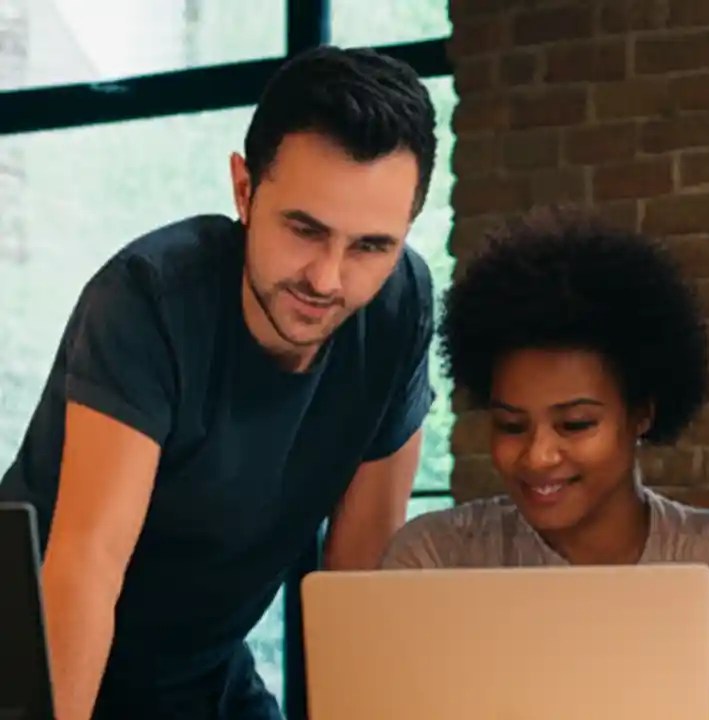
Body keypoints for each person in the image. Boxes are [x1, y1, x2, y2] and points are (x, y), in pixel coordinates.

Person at [0, 46, 437, 720]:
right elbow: (87, 568)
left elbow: (358, 576)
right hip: (38, 667)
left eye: (369, 246)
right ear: (243, 189)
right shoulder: (151, 300)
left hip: (201, 677)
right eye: (304, 229)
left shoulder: (399, 307)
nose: (327, 277)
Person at [381, 208, 709, 720]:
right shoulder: (432, 563)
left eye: (574, 425)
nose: (538, 455)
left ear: (641, 413)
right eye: (511, 426)